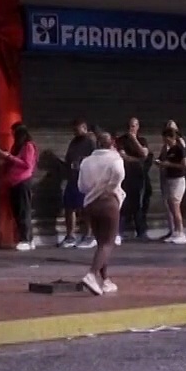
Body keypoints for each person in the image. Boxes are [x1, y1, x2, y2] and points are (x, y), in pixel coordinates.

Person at [75, 133, 124, 296]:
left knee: (101, 243)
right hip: (109, 202)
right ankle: (92, 274)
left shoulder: (86, 161)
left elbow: (81, 186)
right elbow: (118, 174)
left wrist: (94, 189)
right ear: (112, 144)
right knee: (108, 243)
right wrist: (109, 187)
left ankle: (105, 280)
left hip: (90, 203)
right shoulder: (115, 159)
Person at [0, 122, 38, 251]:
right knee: (17, 211)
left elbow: (27, 164)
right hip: (14, 182)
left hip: (23, 181)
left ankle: (26, 239)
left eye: (15, 133)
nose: (13, 136)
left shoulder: (28, 146)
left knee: (23, 210)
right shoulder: (18, 146)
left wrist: (8, 156)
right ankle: (26, 238)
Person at [57, 121, 98, 249]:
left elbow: (95, 158)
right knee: (69, 207)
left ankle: (89, 235)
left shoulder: (91, 141)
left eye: (77, 128)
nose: (74, 131)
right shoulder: (74, 141)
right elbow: (69, 158)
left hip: (85, 178)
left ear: (84, 128)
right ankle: (70, 236)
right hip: (72, 178)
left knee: (85, 208)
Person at [118, 118, 150, 243]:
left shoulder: (142, 140)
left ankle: (141, 231)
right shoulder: (121, 140)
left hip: (138, 177)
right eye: (130, 126)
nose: (131, 128)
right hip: (124, 176)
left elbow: (144, 154)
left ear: (138, 127)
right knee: (123, 203)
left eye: (134, 126)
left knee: (138, 203)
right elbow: (122, 156)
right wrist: (137, 160)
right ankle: (119, 231)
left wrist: (134, 139)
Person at [157, 124, 186, 244]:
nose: (165, 141)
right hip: (170, 179)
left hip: (178, 180)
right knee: (171, 206)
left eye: (167, 139)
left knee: (176, 207)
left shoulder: (180, 149)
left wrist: (168, 165)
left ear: (172, 138)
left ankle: (181, 232)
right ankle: (176, 231)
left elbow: (185, 165)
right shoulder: (169, 149)